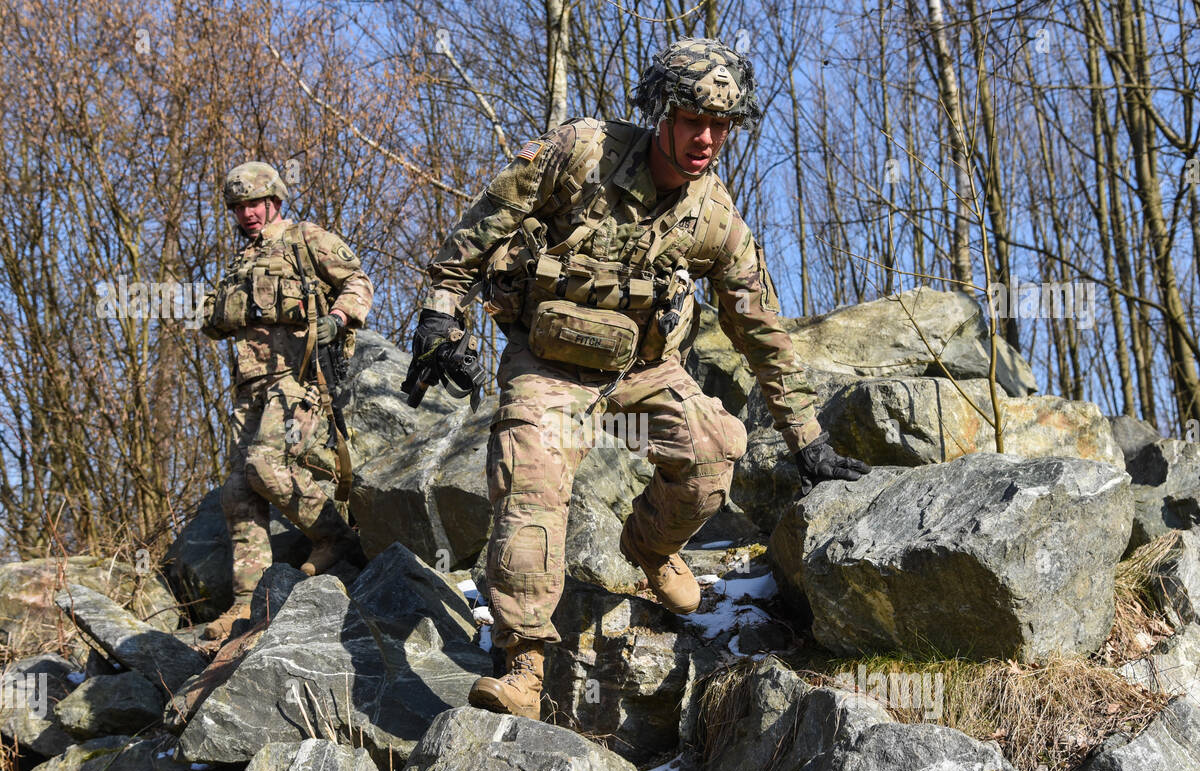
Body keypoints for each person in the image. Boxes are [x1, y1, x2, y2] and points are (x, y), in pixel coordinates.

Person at [414, 38, 869, 719]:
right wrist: (437, 316)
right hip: (551, 367)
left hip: (642, 371)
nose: (707, 138)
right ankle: (525, 664)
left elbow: (758, 325)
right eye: (694, 120)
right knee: (531, 476)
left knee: (717, 447)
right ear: (663, 113)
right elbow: (480, 228)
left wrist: (807, 437)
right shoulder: (581, 154)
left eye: (722, 126)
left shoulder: (712, 216)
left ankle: (651, 546)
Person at [199, 162, 373, 643]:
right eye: (238, 207)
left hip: (299, 378)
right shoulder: (238, 262)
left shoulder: (304, 238)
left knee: (265, 463)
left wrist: (339, 318)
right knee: (237, 491)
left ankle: (336, 538)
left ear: (274, 201)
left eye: (254, 203)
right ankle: (245, 601)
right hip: (249, 387)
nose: (247, 214)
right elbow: (214, 321)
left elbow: (358, 280)